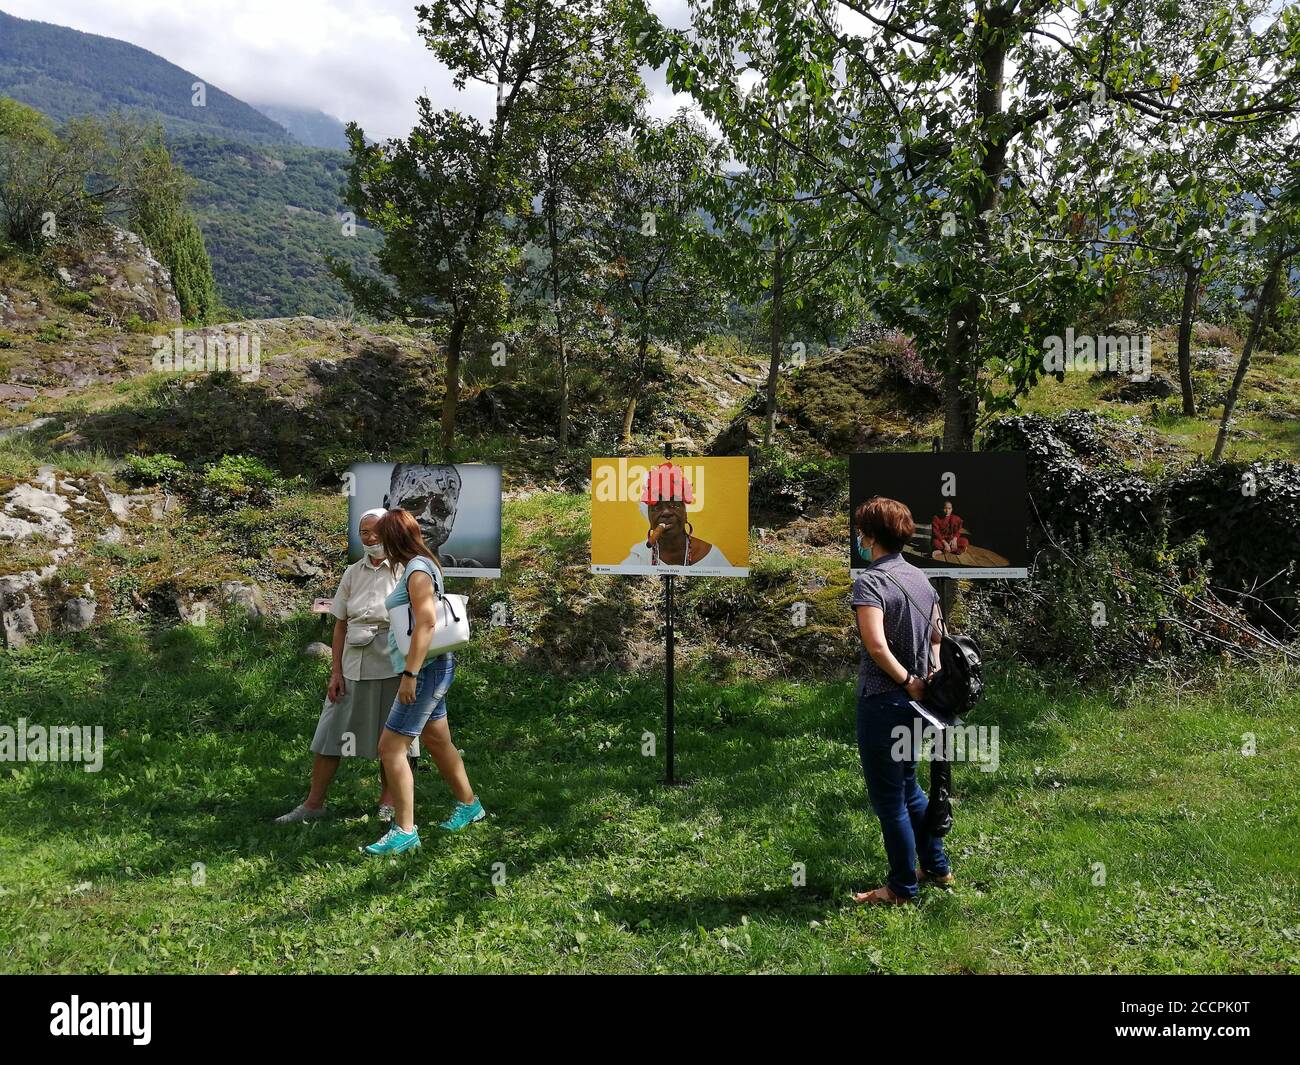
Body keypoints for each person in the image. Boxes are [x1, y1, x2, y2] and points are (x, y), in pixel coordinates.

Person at [276, 508, 416, 824]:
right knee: (329, 734)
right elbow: (340, 624)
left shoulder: (407, 569)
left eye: (376, 530)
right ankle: (313, 805)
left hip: (393, 664)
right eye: (363, 532)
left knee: (390, 739)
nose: (370, 537)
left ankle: (388, 804)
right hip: (353, 664)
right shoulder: (353, 572)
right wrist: (335, 671)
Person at [849, 496, 954, 905]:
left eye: (862, 531)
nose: (859, 538)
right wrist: (927, 677)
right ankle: (936, 865)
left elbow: (876, 645)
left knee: (890, 800)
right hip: (919, 705)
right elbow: (937, 638)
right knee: (908, 786)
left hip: (883, 700)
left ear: (870, 536)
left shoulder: (870, 582)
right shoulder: (920, 578)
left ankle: (900, 888)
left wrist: (907, 680)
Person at [363, 508, 485, 855]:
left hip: (426, 669)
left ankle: (404, 830)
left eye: (380, 536)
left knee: (390, 748)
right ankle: (470, 805)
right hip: (433, 666)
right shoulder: (419, 564)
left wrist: (410, 674)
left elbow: (427, 624)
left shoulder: (417, 570)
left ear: (392, 538)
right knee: (437, 740)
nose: (375, 542)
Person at [618, 462, 731, 567]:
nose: (666, 512)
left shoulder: (711, 557)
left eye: (674, 505)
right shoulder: (639, 557)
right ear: (649, 517)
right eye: (657, 507)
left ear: (685, 513)